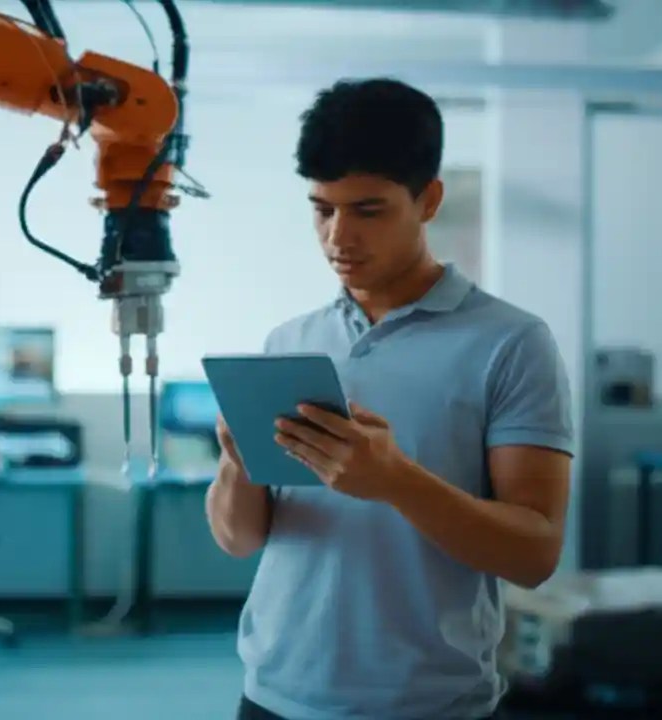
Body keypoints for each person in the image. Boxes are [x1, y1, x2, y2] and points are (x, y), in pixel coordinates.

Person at [204, 78, 574, 720]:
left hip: (428, 706)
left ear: (428, 200)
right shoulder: (290, 341)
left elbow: (534, 554)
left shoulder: (513, 344)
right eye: (322, 209)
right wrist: (237, 466)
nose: (337, 237)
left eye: (368, 210)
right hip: (271, 698)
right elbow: (240, 540)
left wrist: (394, 481)